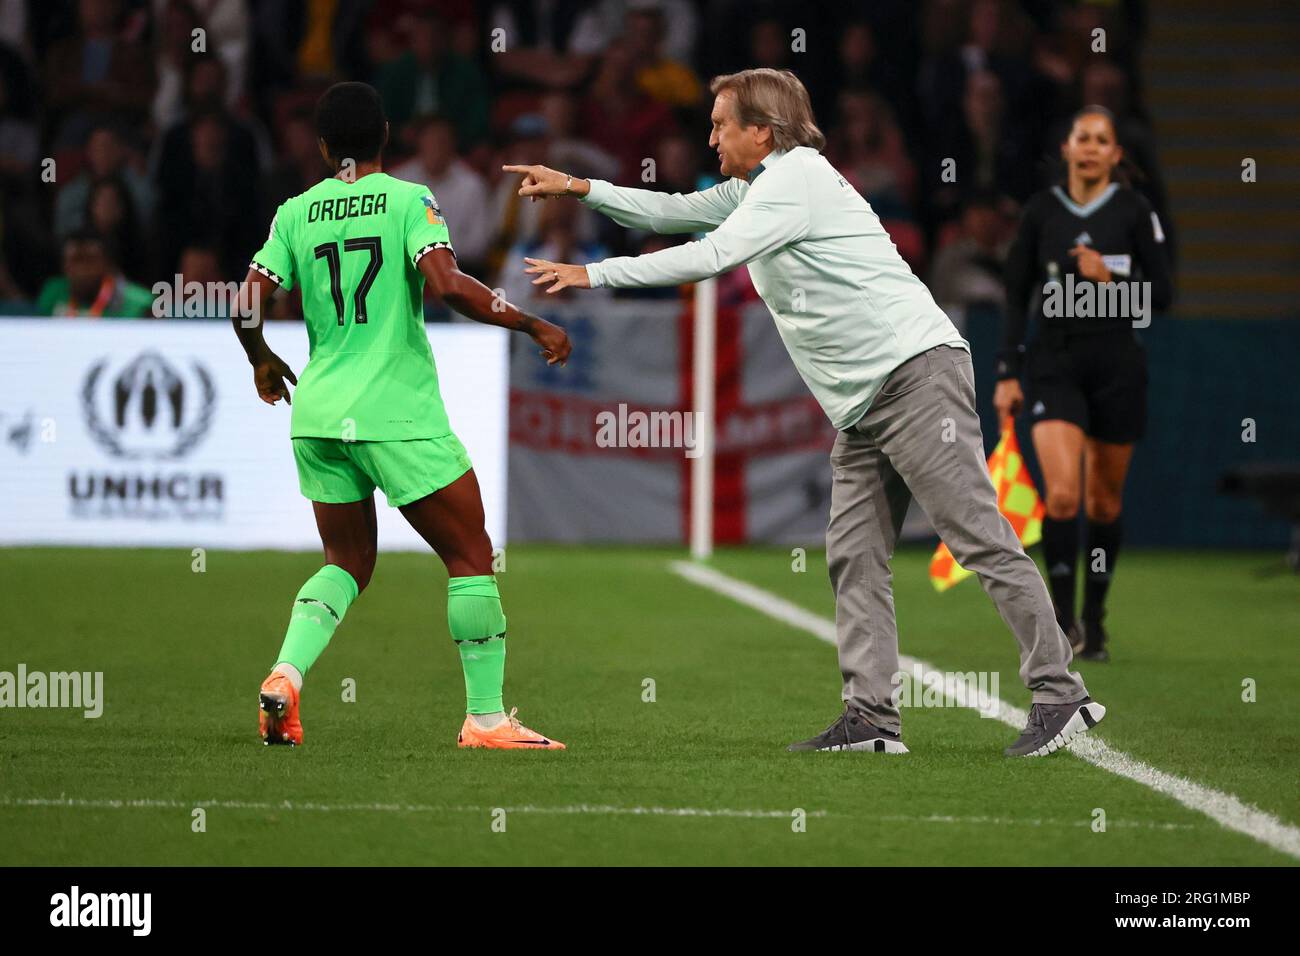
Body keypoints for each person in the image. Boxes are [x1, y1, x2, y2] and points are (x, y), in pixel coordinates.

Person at [505, 67, 1106, 757]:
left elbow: (713, 256)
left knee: (975, 537)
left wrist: (595, 274)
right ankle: (872, 719)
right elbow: (670, 211)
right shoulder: (764, 186)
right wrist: (580, 187)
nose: (712, 136)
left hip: (914, 377)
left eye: (722, 123)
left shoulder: (796, 180)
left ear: (763, 130)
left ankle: (1061, 694)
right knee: (853, 556)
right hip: (863, 404)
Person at [232, 82, 571, 750]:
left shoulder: (296, 211)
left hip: (319, 413)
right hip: (394, 410)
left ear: (325, 148)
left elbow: (246, 301)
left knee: (347, 560)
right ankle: (485, 719)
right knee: (471, 552)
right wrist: (529, 322)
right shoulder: (408, 200)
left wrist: (262, 360)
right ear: (387, 136)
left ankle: (286, 676)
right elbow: (446, 284)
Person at [994, 106, 1172, 662]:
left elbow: (1163, 297)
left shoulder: (1136, 212)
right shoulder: (1042, 212)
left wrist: (1112, 276)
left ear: (1116, 154)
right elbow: (1016, 295)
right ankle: (1062, 624)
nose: (1091, 147)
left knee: (1104, 502)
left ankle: (1096, 620)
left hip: (1117, 368)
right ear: (1067, 149)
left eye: (1102, 139)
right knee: (1064, 494)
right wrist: (1007, 371)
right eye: (1082, 138)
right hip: (1056, 366)